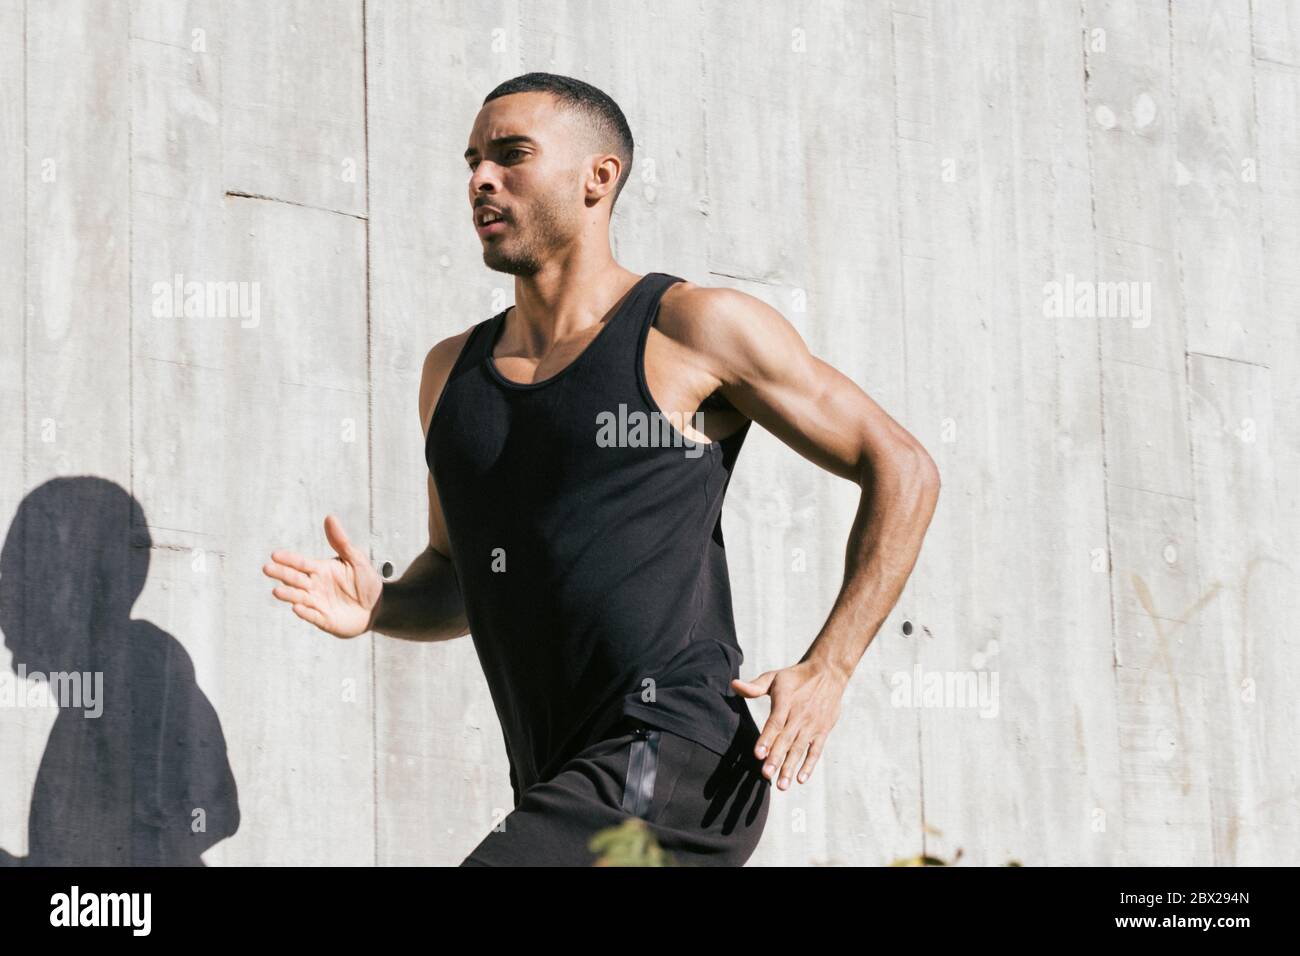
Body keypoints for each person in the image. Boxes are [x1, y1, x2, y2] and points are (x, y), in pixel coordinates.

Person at [264, 72, 940, 866]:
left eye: (511, 155)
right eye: (473, 160)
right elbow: (456, 575)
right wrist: (383, 603)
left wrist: (830, 666)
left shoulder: (691, 329)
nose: (482, 178)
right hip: (560, 783)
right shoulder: (452, 375)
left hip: (676, 761)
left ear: (598, 178)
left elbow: (903, 467)